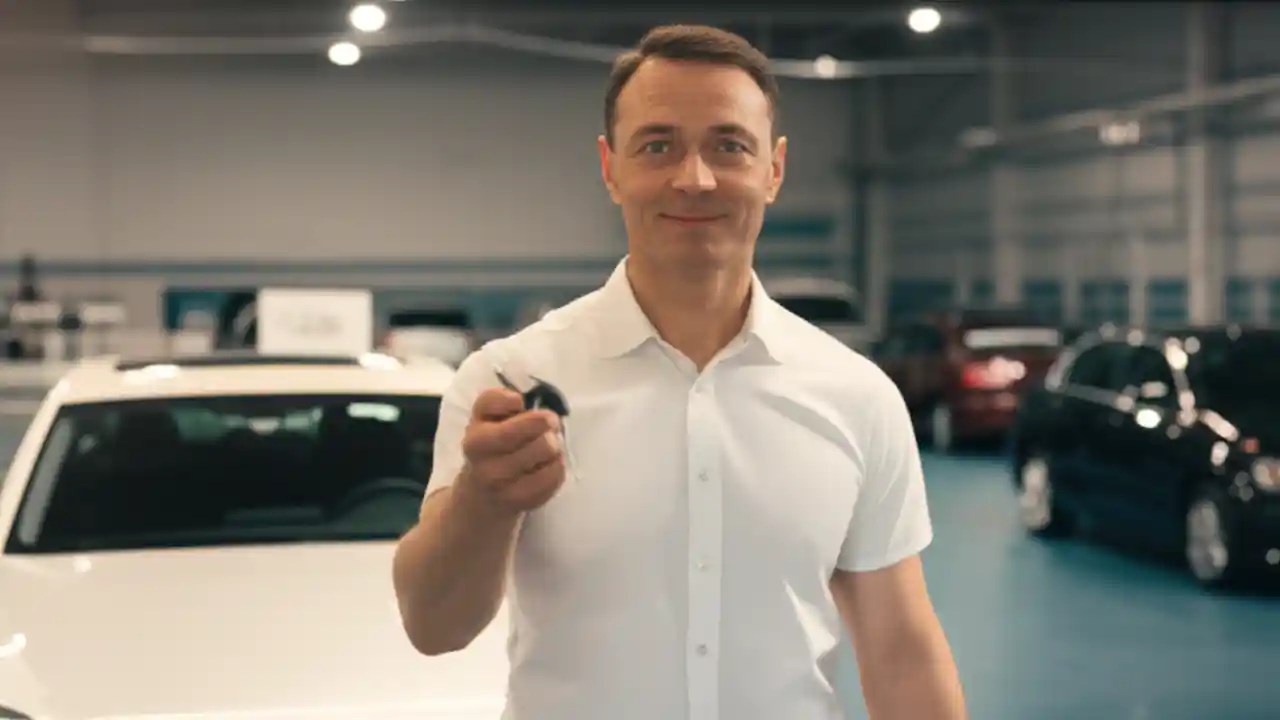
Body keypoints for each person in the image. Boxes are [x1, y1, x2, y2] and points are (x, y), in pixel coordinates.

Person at [393, 24, 967, 720]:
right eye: (657, 145)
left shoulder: (857, 396)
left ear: (774, 170)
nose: (693, 178)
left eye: (729, 146)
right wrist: (484, 503)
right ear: (610, 168)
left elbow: (900, 649)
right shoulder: (510, 382)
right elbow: (434, 627)